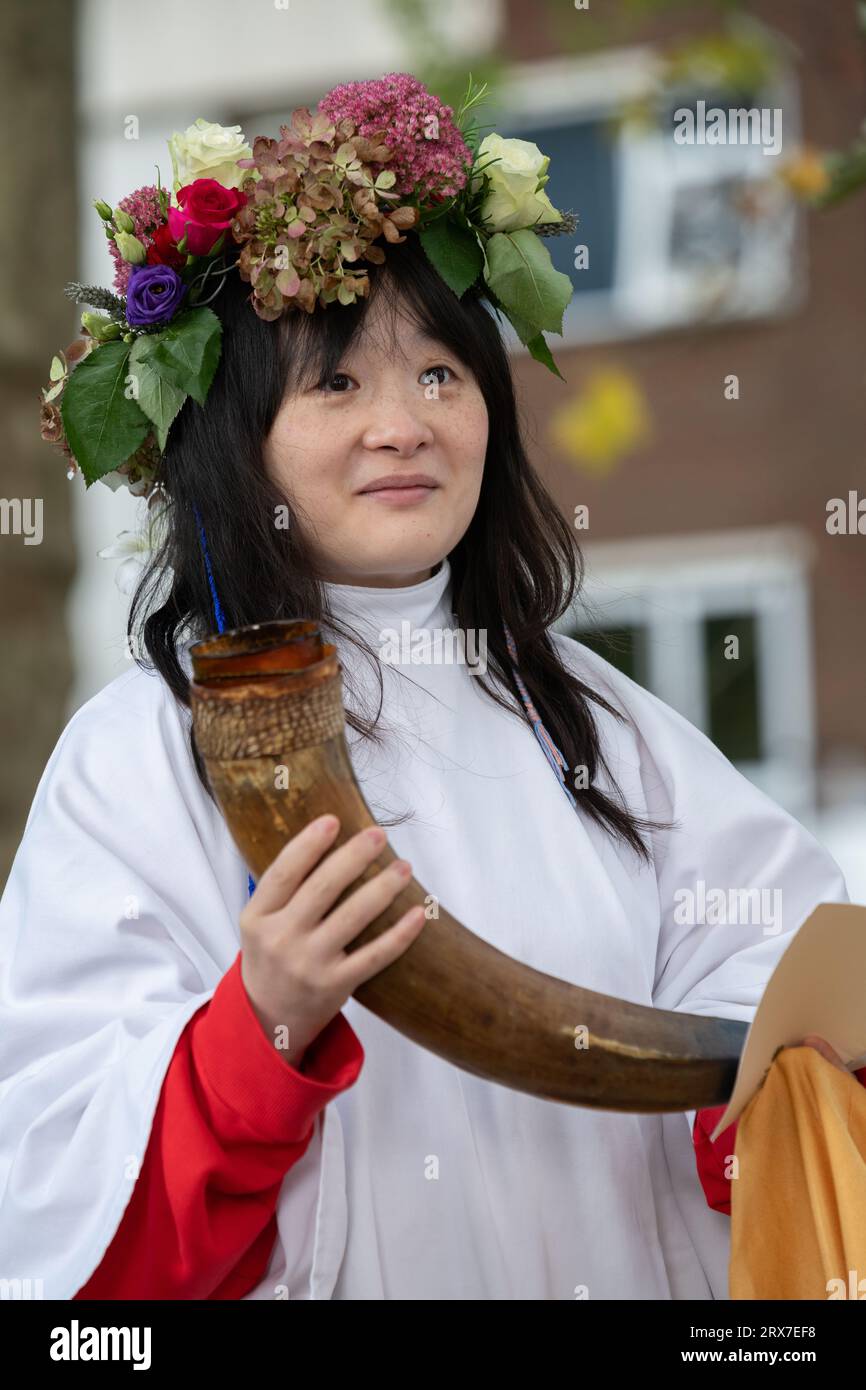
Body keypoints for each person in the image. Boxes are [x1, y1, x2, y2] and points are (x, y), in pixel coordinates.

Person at [1, 78, 855, 1301]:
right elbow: (69, 1205)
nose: (402, 425)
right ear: (232, 444)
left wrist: (774, 1080)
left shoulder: (602, 723)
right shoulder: (139, 754)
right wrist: (266, 1021)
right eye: (335, 385)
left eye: (441, 377)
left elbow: (772, 984)